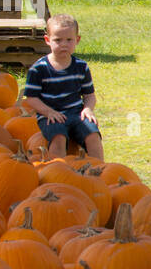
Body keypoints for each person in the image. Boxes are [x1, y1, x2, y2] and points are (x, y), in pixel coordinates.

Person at [22, 13, 104, 160]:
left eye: (69, 40)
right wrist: (48, 112)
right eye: (58, 40)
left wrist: (88, 109)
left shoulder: (81, 67)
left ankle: (100, 170)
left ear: (77, 40)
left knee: (93, 135)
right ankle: (57, 172)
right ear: (47, 40)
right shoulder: (38, 69)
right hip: (51, 115)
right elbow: (31, 98)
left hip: (77, 113)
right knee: (59, 138)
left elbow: (89, 95)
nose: (64, 44)